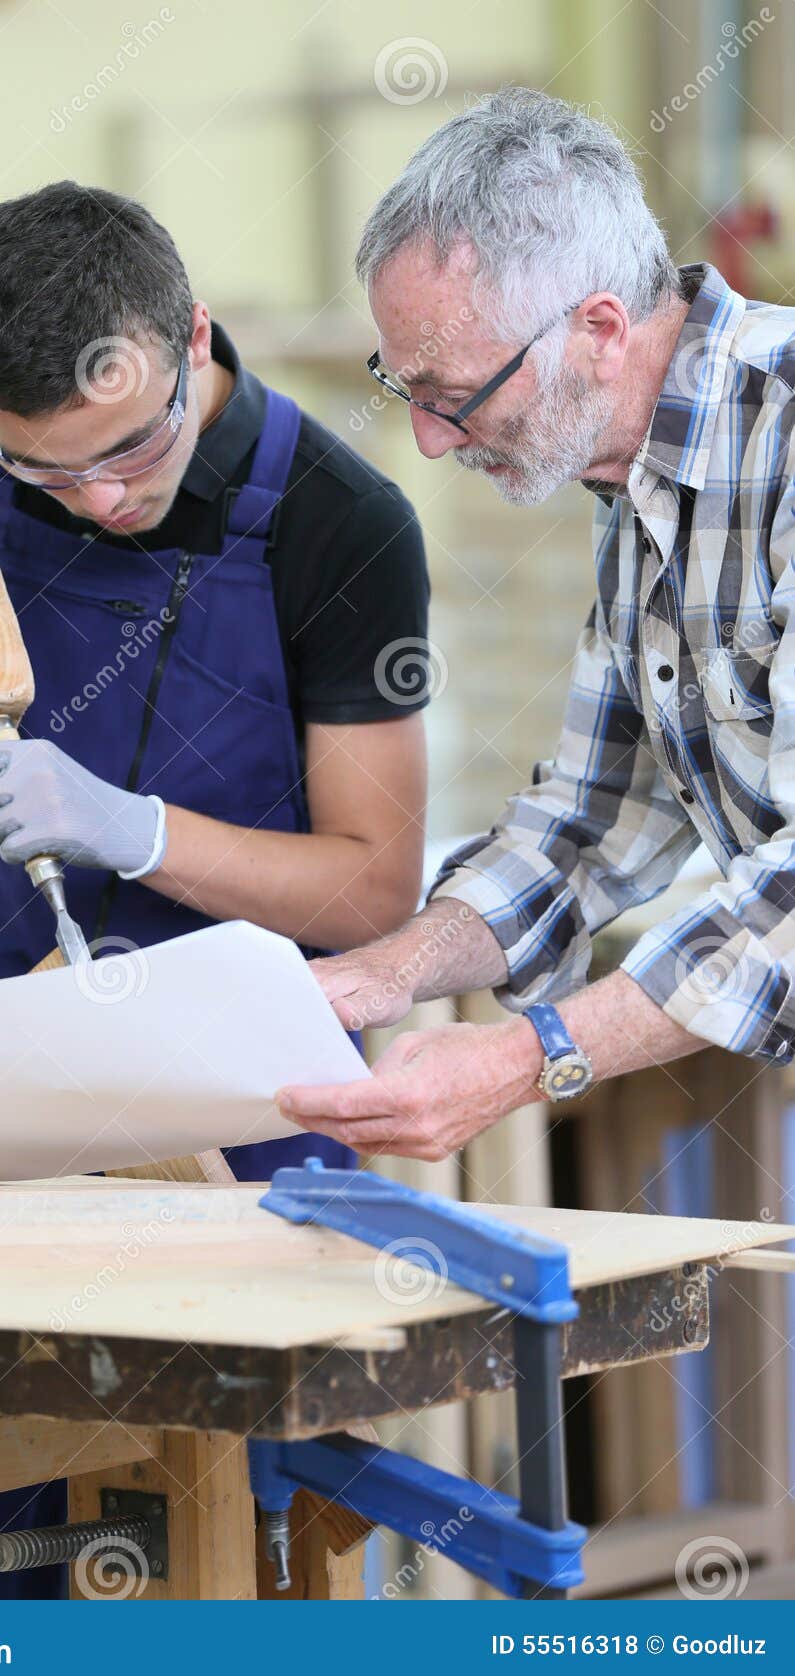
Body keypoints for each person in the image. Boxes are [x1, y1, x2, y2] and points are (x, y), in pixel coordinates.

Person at [0, 182, 430, 1595]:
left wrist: (136, 829)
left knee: (232, 1516)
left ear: (191, 341)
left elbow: (370, 895)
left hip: (238, 1076)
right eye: (44, 473)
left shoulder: (343, 528)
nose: (100, 498)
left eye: (131, 450)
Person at [279, 87, 795, 1169]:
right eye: (402, 386)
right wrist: (400, 964)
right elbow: (587, 823)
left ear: (598, 331)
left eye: (451, 394)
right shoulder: (638, 491)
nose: (426, 440)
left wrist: (530, 1056)